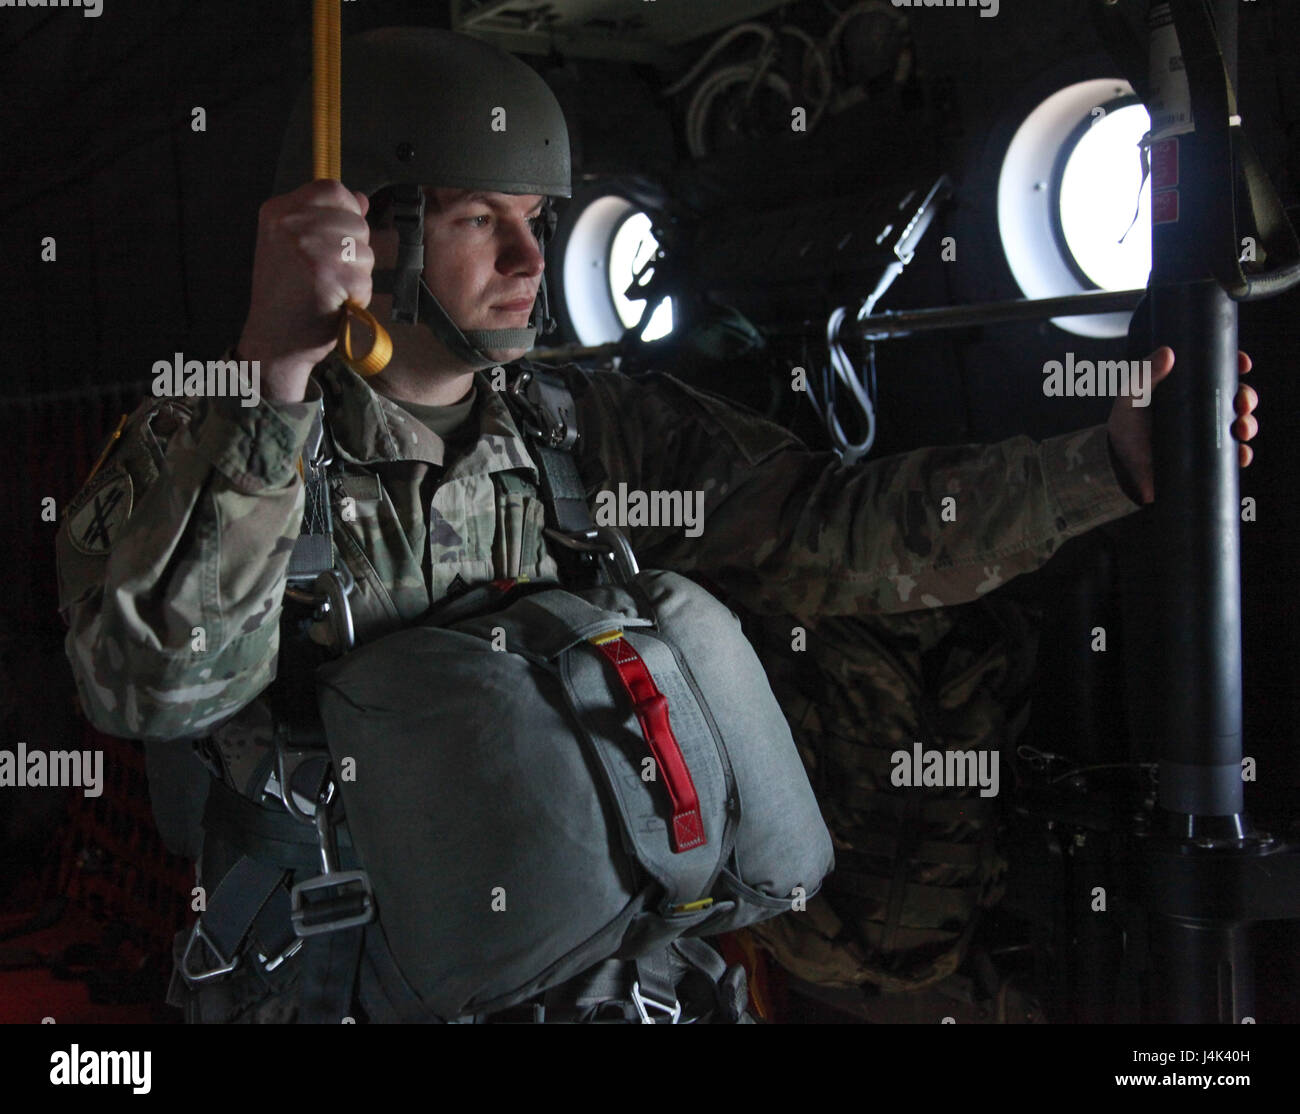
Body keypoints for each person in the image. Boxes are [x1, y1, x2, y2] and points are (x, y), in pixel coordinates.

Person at [54, 27, 1258, 1024]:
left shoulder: (589, 429)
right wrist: (271, 372)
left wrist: (1099, 466)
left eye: (541, 217)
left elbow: (838, 526)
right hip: (340, 982)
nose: (531, 259)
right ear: (370, 231)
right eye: (485, 220)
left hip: (589, 973)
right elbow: (150, 689)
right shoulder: (218, 432)